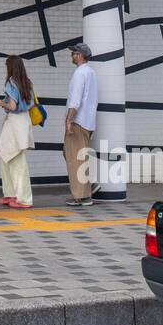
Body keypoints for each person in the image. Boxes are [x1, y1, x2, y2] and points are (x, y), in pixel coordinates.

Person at [0, 55, 36, 208]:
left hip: (14, 121)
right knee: (7, 155)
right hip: (24, 121)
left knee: (15, 159)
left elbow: (12, 106)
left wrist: (0, 103)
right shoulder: (27, 83)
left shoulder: (11, 83)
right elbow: (30, 104)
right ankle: (11, 194)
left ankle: (23, 198)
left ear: (10, 67)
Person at [64, 42, 99, 207]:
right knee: (80, 156)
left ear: (80, 55)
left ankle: (81, 195)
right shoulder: (91, 72)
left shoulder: (79, 74)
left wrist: (69, 120)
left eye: (74, 53)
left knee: (74, 158)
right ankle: (87, 188)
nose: (72, 55)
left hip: (78, 121)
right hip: (88, 121)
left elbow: (75, 100)